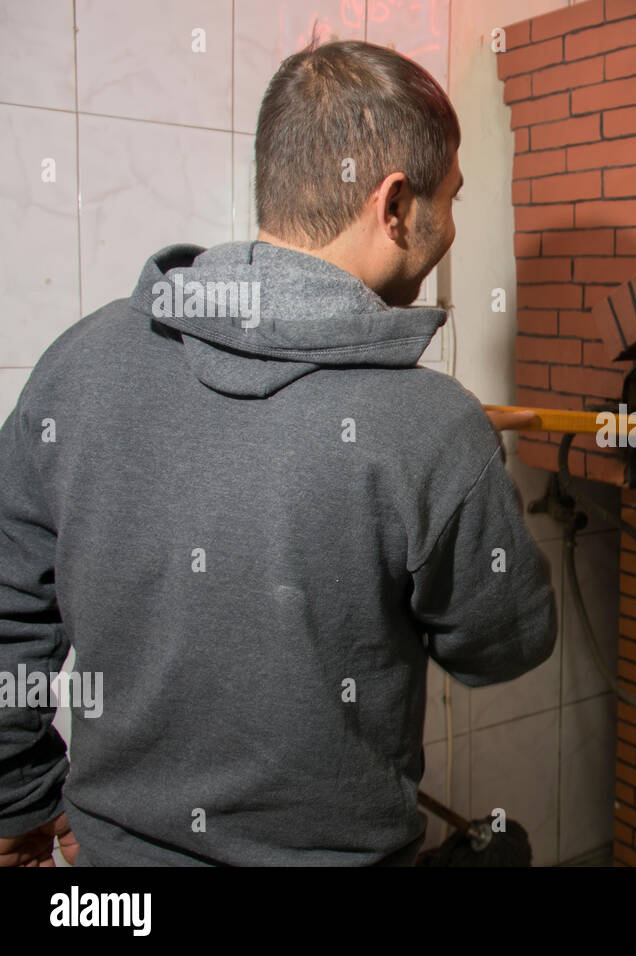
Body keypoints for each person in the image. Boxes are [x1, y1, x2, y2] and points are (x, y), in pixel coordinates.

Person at [0, 39, 556, 866]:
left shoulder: (80, 363)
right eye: (452, 200)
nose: (450, 229)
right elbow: (502, 644)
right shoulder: (434, 427)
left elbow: (9, 602)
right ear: (395, 205)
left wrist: (19, 802)